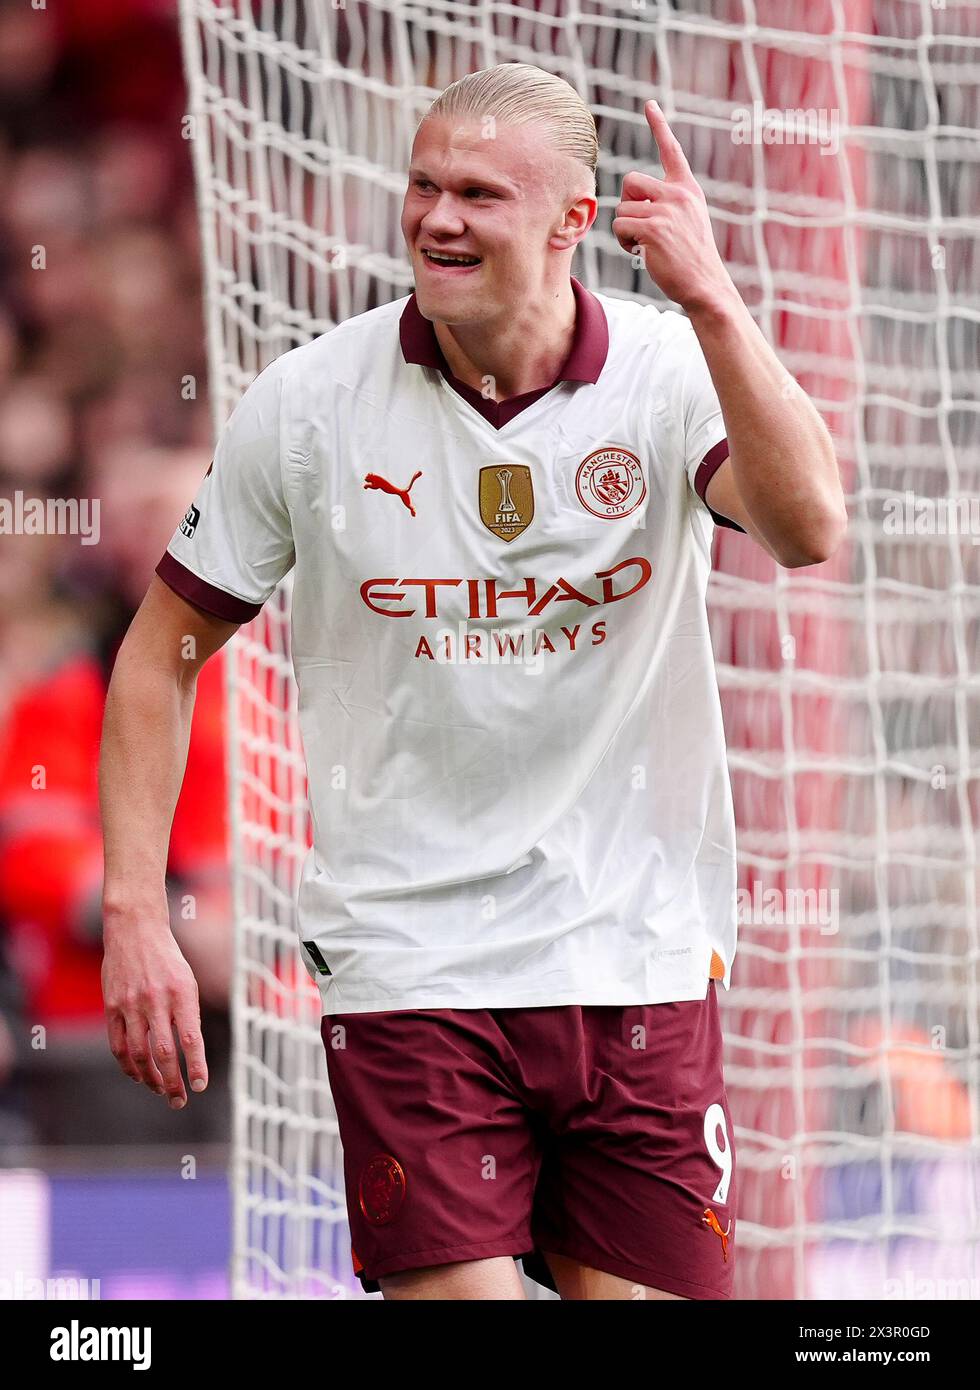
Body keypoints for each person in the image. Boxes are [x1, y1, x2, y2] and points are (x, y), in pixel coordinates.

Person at [99, 63, 846, 1300]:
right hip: (412, 963)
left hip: (635, 960)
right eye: (424, 186)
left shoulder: (664, 373)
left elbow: (810, 527)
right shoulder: (310, 403)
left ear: (570, 221)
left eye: (480, 194)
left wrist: (713, 296)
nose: (437, 217)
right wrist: (135, 908)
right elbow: (156, 654)